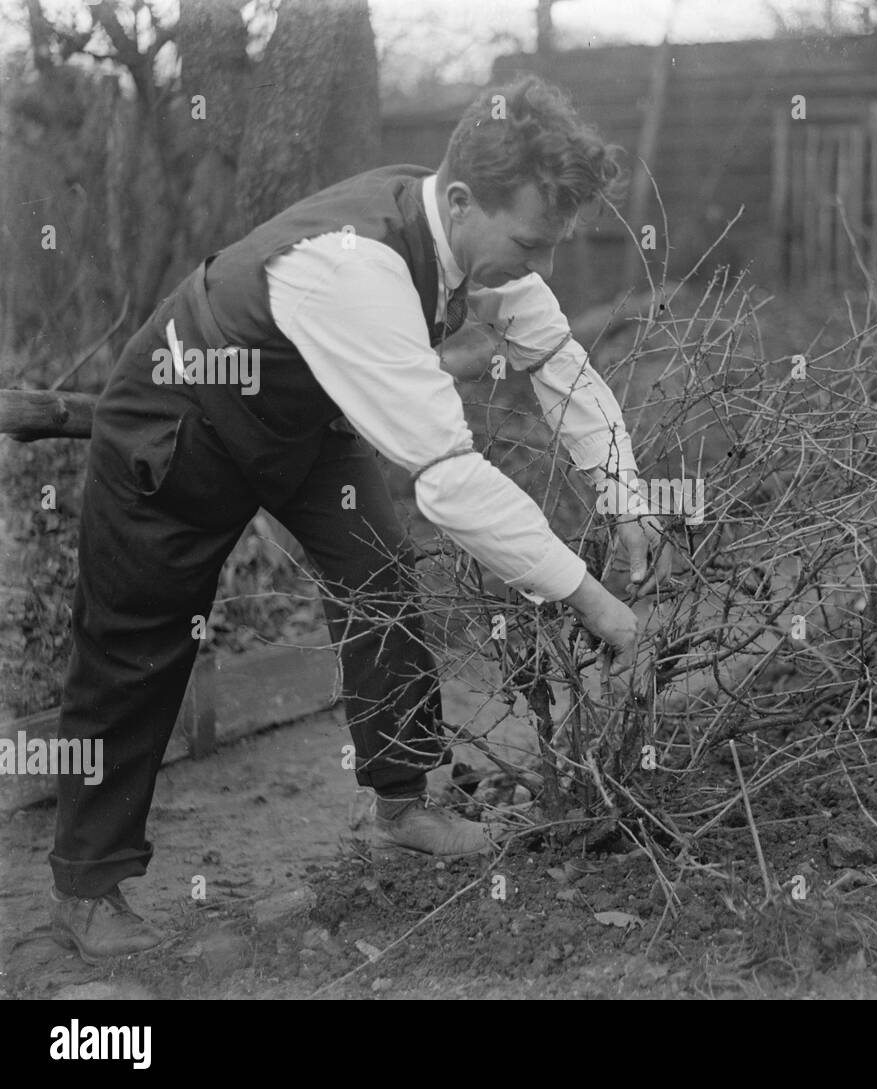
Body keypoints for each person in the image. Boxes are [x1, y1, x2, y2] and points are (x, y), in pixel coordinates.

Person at [48, 76, 669, 963]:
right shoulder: (358, 265)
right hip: (182, 421)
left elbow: (562, 366)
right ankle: (86, 882)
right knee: (137, 642)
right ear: (461, 201)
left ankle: (404, 802)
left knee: (378, 569)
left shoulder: (480, 245)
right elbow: (450, 476)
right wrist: (599, 606)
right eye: (532, 242)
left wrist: (628, 500)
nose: (543, 266)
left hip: (302, 420)